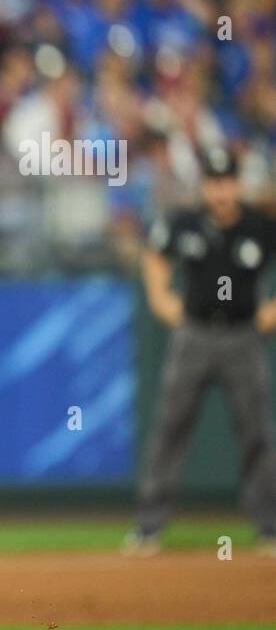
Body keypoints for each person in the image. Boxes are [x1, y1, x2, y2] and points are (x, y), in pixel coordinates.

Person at [129, 146, 276, 556]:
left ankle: (270, 528)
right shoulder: (186, 222)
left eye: (227, 182)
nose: (221, 192)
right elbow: (154, 254)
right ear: (204, 186)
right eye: (213, 183)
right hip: (193, 334)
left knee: (256, 433)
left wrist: (270, 312)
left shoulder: (259, 226)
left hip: (243, 336)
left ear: (238, 183)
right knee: (171, 427)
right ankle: (148, 527)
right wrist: (160, 298)